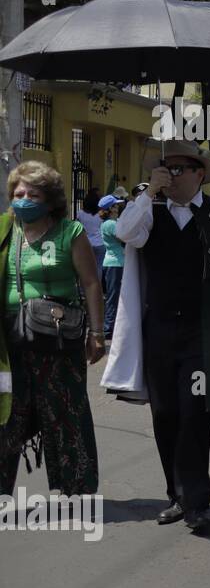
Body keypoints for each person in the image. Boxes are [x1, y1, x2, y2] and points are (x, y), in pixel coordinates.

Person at [101, 140, 210, 534]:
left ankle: (197, 501)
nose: (170, 176)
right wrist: (148, 192)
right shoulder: (148, 215)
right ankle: (176, 494)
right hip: (160, 330)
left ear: (200, 174)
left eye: (179, 170)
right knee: (166, 414)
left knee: (197, 414)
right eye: (165, 169)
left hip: (202, 334)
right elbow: (123, 232)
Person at [0, 162, 105, 498]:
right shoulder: (4, 229)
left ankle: (77, 489)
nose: (23, 199)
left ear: (49, 200)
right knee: (7, 414)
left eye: (33, 194)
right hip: (7, 344)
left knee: (66, 411)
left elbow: (90, 283)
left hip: (58, 339)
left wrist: (97, 333)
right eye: (18, 193)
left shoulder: (69, 232)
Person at [99, 194, 126, 341]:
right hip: (115, 264)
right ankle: (109, 328)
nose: (118, 207)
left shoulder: (111, 222)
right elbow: (124, 236)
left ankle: (111, 326)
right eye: (115, 206)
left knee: (114, 297)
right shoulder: (110, 224)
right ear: (110, 209)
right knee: (113, 298)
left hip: (114, 263)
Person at [76, 190, 105, 274]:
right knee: (98, 267)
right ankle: (98, 285)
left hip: (85, 243)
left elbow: (77, 227)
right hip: (99, 242)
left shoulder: (80, 213)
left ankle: (84, 286)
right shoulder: (101, 214)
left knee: (85, 267)